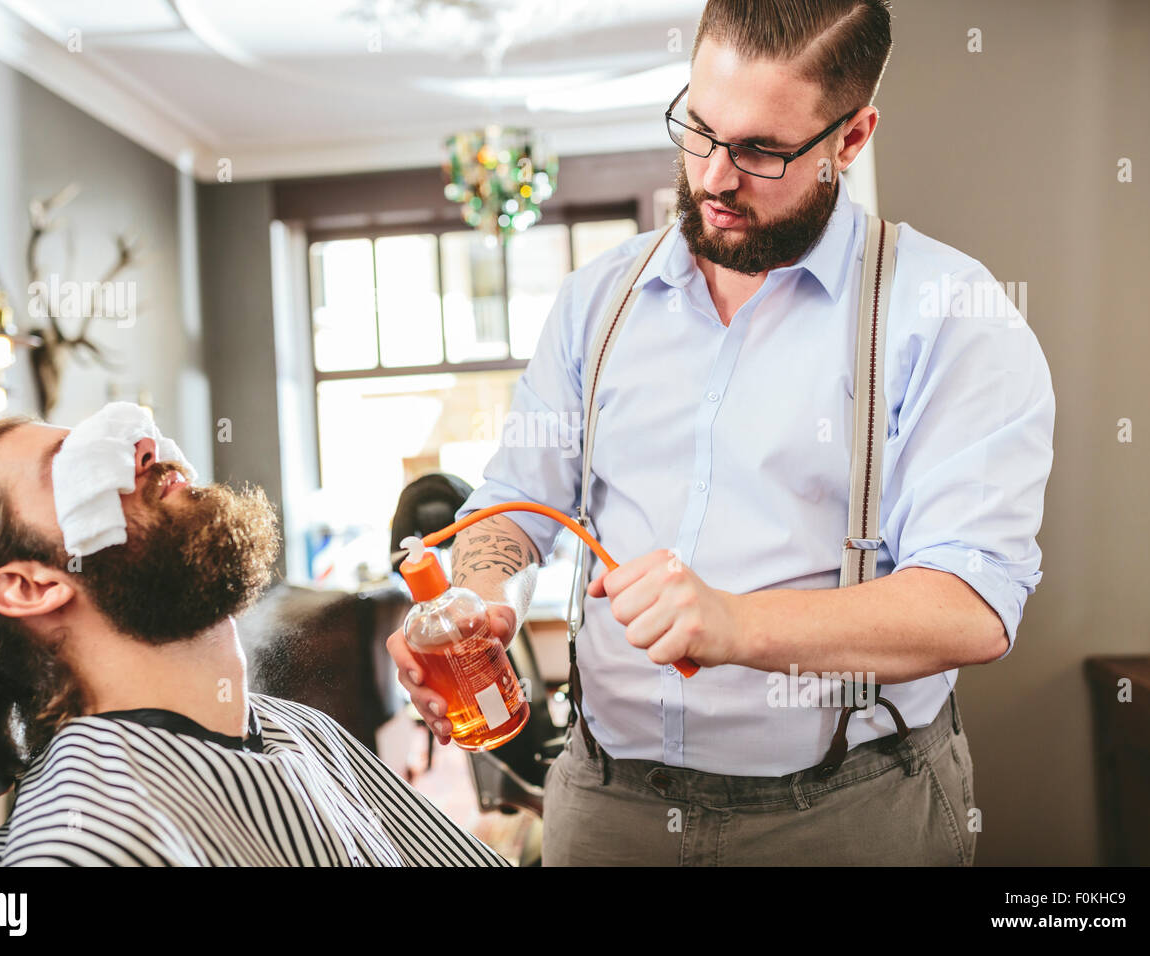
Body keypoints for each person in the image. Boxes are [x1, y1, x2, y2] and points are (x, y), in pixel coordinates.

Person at [386, 0, 1054, 865]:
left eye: (760, 150)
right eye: (697, 128)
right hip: (603, 803)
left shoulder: (948, 314)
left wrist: (734, 624)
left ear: (851, 140)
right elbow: (515, 503)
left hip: (848, 813)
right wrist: (483, 602)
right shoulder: (598, 302)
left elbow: (973, 605)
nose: (711, 176)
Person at [0, 415, 508, 867]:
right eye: (68, 466)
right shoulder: (91, 843)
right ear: (26, 586)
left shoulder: (296, 729)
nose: (142, 442)